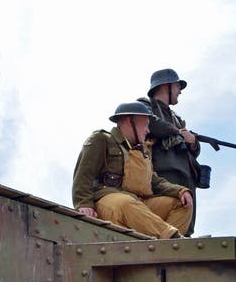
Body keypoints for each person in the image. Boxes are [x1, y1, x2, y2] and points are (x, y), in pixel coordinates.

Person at [72, 101, 193, 239]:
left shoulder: (141, 152)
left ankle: (162, 249)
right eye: (146, 124)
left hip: (138, 206)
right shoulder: (101, 139)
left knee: (182, 203)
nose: (148, 130)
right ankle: (173, 240)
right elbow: (84, 174)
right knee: (126, 203)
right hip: (109, 202)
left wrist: (180, 191)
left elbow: (155, 181)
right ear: (130, 121)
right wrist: (84, 203)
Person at [141, 68, 201, 235]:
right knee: (161, 219)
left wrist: (193, 141)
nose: (179, 91)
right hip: (163, 172)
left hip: (186, 175)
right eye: (177, 86)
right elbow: (152, 123)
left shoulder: (177, 118)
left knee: (186, 223)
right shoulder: (146, 106)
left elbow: (190, 151)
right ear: (165, 86)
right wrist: (177, 131)